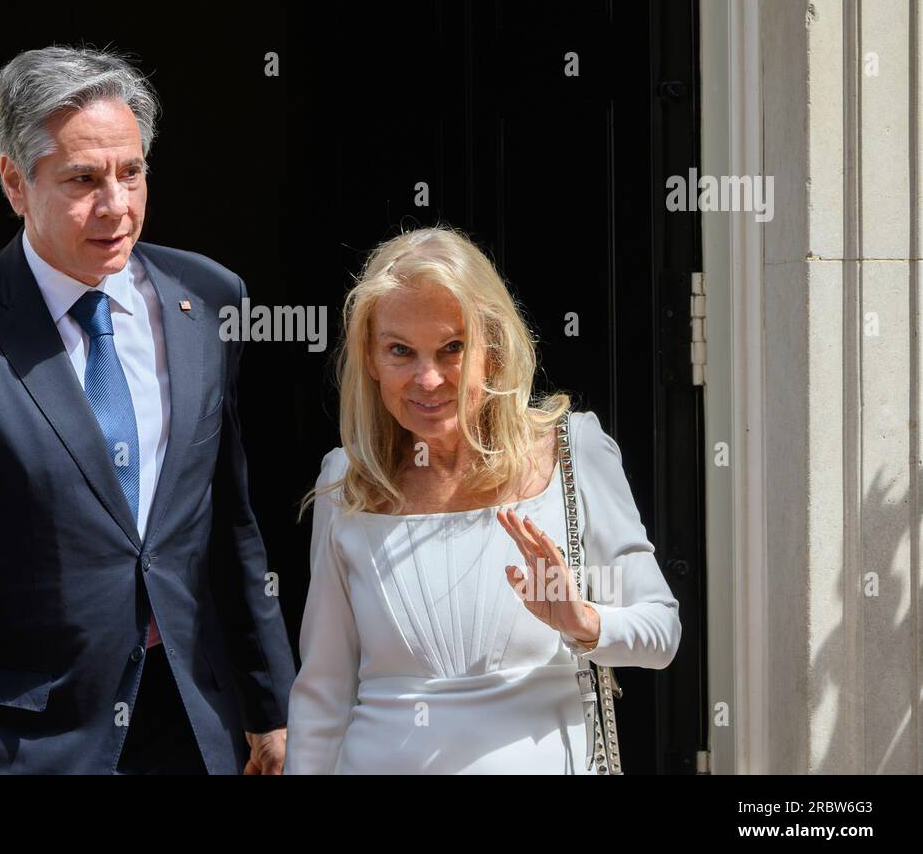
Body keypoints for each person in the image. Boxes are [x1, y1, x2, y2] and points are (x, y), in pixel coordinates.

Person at [0, 45, 296, 774]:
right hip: (28, 744)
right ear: (14, 182)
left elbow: (228, 519)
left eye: (132, 173)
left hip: (193, 727)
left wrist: (272, 703)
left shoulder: (212, 301)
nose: (117, 205)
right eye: (84, 180)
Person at [283, 226, 682, 774]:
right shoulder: (347, 481)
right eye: (401, 350)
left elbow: (661, 632)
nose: (428, 379)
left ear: (493, 349)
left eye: (453, 348)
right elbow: (323, 692)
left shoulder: (571, 451)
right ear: (370, 359)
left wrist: (583, 621)